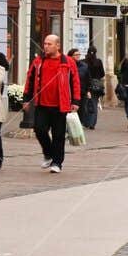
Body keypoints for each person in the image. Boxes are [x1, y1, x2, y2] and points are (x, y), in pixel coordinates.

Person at [26, 34, 80, 173]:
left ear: (58, 46)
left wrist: (75, 101)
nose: (46, 46)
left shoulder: (68, 62)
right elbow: (30, 78)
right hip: (42, 104)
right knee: (39, 129)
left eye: (49, 44)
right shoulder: (38, 61)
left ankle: (57, 162)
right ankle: (48, 154)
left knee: (58, 135)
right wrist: (26, 98)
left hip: (61, 105)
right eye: (45, 44)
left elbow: (75, 82)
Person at [84, 47, 106, 129]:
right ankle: (92, 123)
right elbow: (102, 74)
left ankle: (86, 122)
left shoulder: (84, 62)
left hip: (86, 84)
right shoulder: (98, 61)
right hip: (96, 86)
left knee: (86, 104)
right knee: (94, 104)